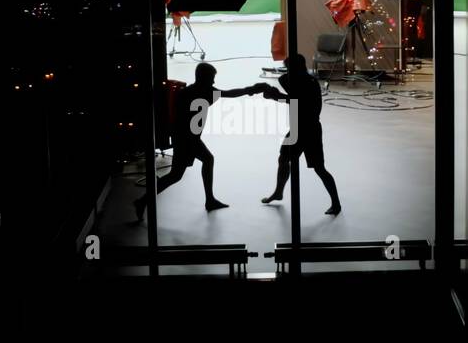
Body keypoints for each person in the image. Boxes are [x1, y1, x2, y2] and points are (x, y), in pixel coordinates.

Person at [134, 62, 261, 219]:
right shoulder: (203, 92)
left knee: (178, 174)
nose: (214, 82)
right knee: (193, 167)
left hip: (185, 138)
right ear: (204, 78)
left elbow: (229, 93)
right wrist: (253, 89)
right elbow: (230, 93)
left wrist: (252, 89)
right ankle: (144, 201)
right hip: (187, 139)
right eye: (212, 78)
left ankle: (144, 201)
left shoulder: (192, 92)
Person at [258, 54, 342, 215]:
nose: (286, 71)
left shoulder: (306, 83)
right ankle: (279, 192)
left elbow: (296, 100)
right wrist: (278, 95)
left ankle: (336, 203)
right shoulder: (306, 81)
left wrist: (276, 96)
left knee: (318, 168)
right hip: (303, 127)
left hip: (308, 129)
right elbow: (292, 96)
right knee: (285, 158)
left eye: (289, 68)